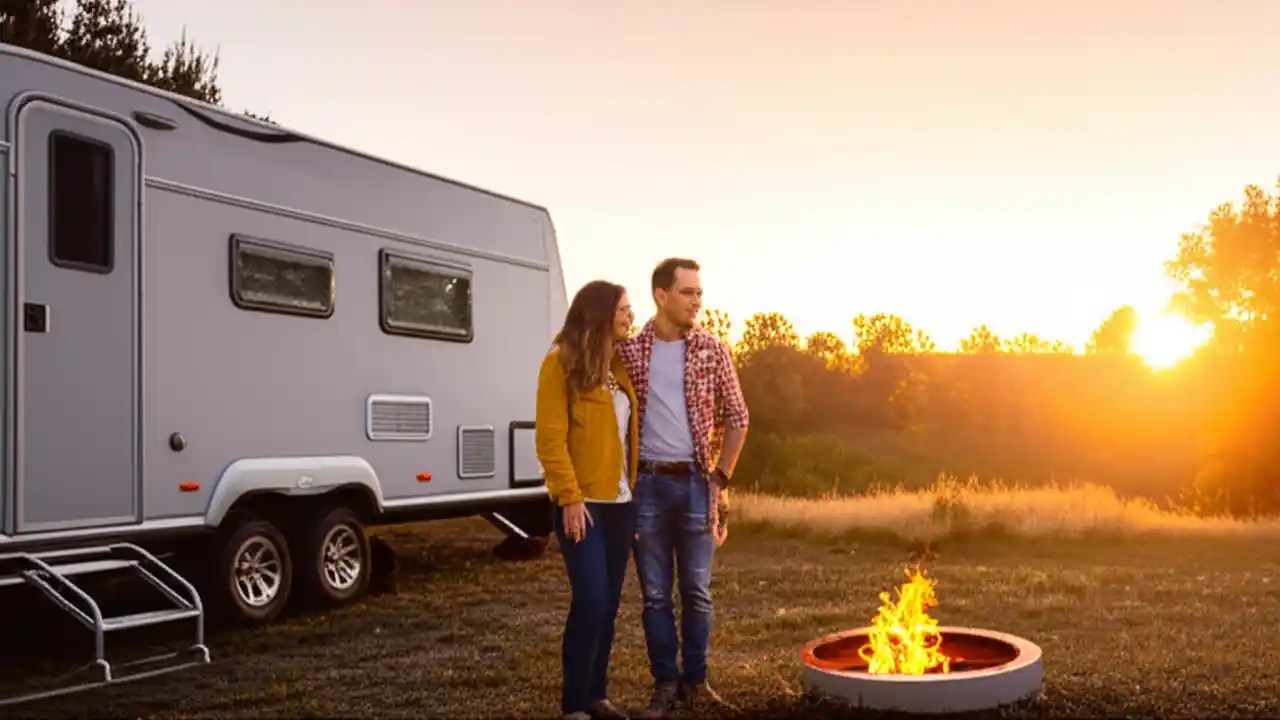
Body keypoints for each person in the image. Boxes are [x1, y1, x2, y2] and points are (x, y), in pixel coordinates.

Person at [618, 258, 750, 718]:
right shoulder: (630, 353)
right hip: (647, 485)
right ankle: (665, 684)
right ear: (661, 295)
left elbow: (739, 417)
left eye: (699, 292)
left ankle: (698, 681)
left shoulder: (713, 349)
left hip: (697, 483)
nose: (697, 301)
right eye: (688, 292)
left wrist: (721, 477)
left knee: (696, 590)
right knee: (654, 594)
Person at [535, 280, 640, 720]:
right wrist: (570, 498)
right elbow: (550, 440)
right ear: (599, 314)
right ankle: (574, 703)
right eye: (623, 310)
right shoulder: (559, 363)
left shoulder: (619, 366)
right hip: (583, 505)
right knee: (591, 599)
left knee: (610, 602)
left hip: (621, 504)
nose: (629, 317)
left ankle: (596, 694)